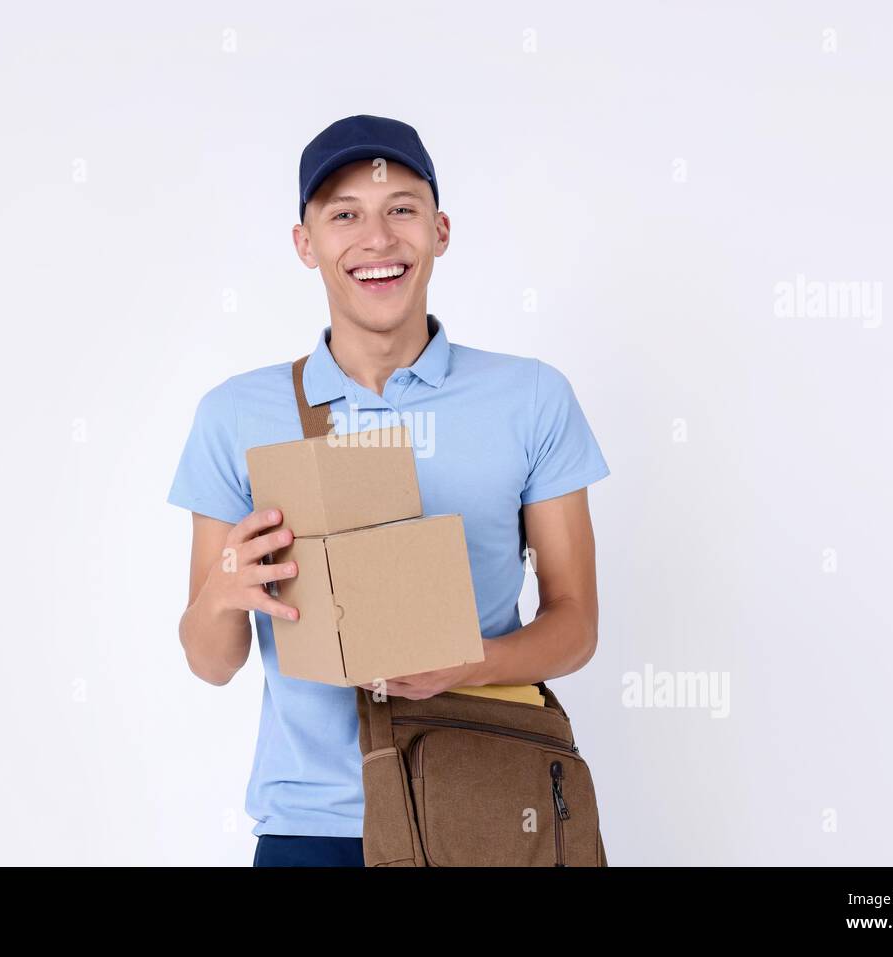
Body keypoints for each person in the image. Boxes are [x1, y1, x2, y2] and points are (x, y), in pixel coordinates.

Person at [168, 115, 610, 866]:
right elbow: (211, 660)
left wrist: (466, 663)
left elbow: (576, 626)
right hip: (311, 824)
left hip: (482, 804)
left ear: (439, 230)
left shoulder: (531, 397)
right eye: (344, 215)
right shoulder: (236, 414)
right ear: (306, 244)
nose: (377, 239)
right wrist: (223, 590)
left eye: (401, 209)